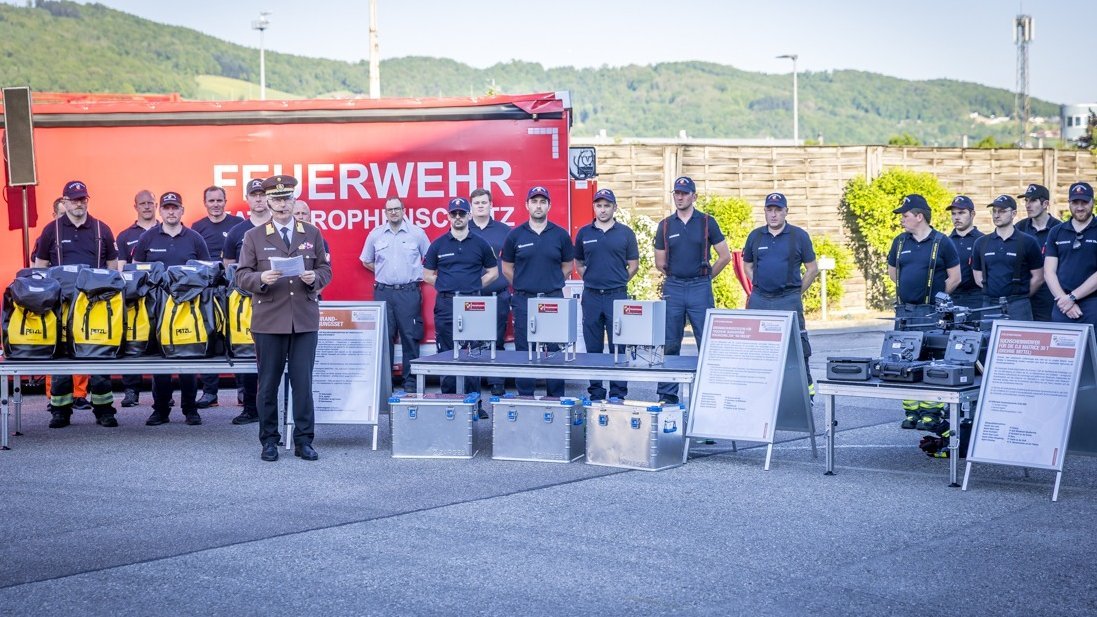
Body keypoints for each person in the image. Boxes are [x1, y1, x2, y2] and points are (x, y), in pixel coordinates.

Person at [235, 175, 332, 462]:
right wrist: (260, 278)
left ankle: (304, 440)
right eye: (276, 199)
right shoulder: (254, 236)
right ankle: (269, 441)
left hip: (303, 318)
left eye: (286, 198)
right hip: (269, 319)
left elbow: (326, 269)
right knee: (268, 384)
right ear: (266, 201)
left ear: (293, 200)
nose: (282, 204)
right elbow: (241, 276)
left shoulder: (311, 233)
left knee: (303, 383)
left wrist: (316, 277)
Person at [31, 180, 120, 429]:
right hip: (63, 306)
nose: (79, 203)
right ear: (64, 202)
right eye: (74, 199)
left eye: (82, 199)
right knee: (62, 358)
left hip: (95, 307)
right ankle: (60, 410)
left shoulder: (102, 229)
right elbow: (40, 268)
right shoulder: (51, 230)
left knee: (98, 357)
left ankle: (104, 409)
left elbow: (113, 268)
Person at [131, 192, 211, 427]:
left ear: (182, 210)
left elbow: (206, 272)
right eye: (167, 208)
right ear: (161, 211)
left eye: (175, 207)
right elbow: (137, 273)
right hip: (157, 307)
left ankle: (190, 409)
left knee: (187, 359)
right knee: (160, 361)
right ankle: (161, 410)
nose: (171, 211)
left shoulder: (195, 238)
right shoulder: (147, 238)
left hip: (188, 308)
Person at [652, 176, 731, 405]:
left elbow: (724, 256)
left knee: (706, 342)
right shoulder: (665, 225)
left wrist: (706, 277)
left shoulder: (707, 222)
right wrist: (677, 277)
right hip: (674, 287)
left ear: (694, 196)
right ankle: (667, 396)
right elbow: (660, 262)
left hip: (699, 287)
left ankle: (710, 394)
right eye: (676, 193)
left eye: (684, 193)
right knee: (669, 342)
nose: (680, 197)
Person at [886, 194, 961, 430]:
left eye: (905, 216)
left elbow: (955, 277)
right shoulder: (899, 242)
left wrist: (937, 300)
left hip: (931, 313)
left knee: (932, 361)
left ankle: (931, 412)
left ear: (920, 217)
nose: (902, 220)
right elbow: (892, 272)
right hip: (905, 311)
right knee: (902, 360)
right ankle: (912, 411)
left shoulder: (942, 242)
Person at [423, 197, 499, 410]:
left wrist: (474, 287)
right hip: (447, 303)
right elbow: (428, 274)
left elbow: (493, 272)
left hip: (472, 303)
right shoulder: (438, 244)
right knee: (447, 353)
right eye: (454, 214)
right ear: (448, 216)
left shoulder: (480, 244)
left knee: (471, 353)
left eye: (462, 213)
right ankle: (449, 403)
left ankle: (475, 404)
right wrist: (446, 285)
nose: (458, 217)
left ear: (469, 215)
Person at [501, 186, 576, 397]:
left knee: (554, 349)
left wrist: (551, 283)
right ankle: (525, 396)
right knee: (524, 349)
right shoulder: (515, 235)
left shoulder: (560, 235)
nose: (538, 205)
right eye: (534, 201)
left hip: (553, 300)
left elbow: (568, 266)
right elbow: (507, 268)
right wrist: (525, 283)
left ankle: (556, 397)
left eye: (543, 202)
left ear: (549, 206)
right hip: (524, 300)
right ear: (527, 205)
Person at [742, 192, 818, 390]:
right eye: (770, 210)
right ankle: (759, 390)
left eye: (778, 210)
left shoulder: (799, 236)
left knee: (799, 348)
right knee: (757, 348)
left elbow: (812, 269)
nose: (774, 214)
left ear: (786, 212)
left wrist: (795, 293)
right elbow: (747, 266)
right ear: (765, 212)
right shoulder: (755, 236)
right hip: (760, 299)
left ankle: (805, 392)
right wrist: (757, 284)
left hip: (788, 299)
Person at [574, 188, 639, 401]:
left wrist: (617, 281)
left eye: (607, 206)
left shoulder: (625, 233)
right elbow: (579, 264)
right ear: (594, 207)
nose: (602, 210)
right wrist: (593, 279)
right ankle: (596, 392)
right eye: (599, 205)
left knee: (618, 346)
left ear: (614, 208)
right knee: (593, 347)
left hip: (617, 296)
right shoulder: (584, 233)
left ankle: (618, 393)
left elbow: (633, 265)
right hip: (591, 296)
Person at [360, 197, 429, 392]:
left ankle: (410, 382)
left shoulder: (417, 233)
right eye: (389, 209)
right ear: (385, 212)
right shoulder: (376, 235)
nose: (393, 212)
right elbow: (366, 260)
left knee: (410, 336)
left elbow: (430, 260)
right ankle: (385, 383)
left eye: (397, 209)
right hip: (384, 292)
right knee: (385, 338)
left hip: (409, 292)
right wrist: (384, 272)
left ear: (403, 210)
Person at [223, 178, 271, 425]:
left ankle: (278, 407)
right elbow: (230, 268)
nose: (259, 198)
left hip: (275, 299)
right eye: (255, 195)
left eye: (263, 194)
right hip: (244, 302)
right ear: (247, 199)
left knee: (273, 356)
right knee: (247, 354)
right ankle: (250, 407)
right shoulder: (236, 232)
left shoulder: (279, 226)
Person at [191, 186, 245, 409]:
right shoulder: (197, 228)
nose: (215, 204)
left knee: (238, 339)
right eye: (211, 200)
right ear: (205, 203)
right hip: (208, 291)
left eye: (219, 200)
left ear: (225, 202)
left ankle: (243, 392)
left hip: (234, 289)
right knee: (210, 338)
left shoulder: (237, 226)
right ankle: (209, 392)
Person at [115, 189, 160, 408]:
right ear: (135, 207)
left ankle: (162, 394)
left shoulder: (165, 231)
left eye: (150, 203)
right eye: (142, 203)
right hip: (135, 298)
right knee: (132, 343)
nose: (147, 207)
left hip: (160, 297)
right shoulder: (125, 236)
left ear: (156, 205)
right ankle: (131, 390)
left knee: (160, 344)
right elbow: (121, 269)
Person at [467, 188, 512, 397]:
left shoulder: (504, 230)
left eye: (484, 202)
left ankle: (497, 382)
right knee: (473, 341)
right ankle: (473, 386)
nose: (481, 206)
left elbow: (514, 260)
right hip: (472, 296)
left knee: (497, 339)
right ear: (471, 206)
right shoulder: (464, 229)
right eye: (476, 203)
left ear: (491, 204)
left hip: (498, 294)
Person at [972, 195, 1044, 322]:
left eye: (1002, 211)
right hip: (989, 305)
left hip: (1018, 305)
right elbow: (978, 276)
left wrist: (1021, 297)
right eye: (994, 211)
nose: (996, 215)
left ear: (1014, 213)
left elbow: (1038, 277)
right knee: (988, 340)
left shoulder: (1028, 242)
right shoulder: (981, 243)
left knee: (1021, 341)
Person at [1044, 182, 1097, 326]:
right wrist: (1064, 300)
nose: (1080, 207)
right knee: (1059, 348)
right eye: (1075, 202)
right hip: (1062, 305)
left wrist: (1073, 297)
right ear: (1069, 203)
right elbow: (1049, 272)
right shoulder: (1056, 232)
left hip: (1093, 304)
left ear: (1092, 201)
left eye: (1084, 202)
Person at [1015, 183, 1062, 321]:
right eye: (1026, 200)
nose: (1028, 205)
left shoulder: (1059, 229)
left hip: (1049, 296)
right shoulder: (1019, 227)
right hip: (1023, 295)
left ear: (1045, 203)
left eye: (1033, 200)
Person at [945, 195, 985, 311]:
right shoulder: (945, 242)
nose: (956, 217)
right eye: (953, 214)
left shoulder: (983, 241)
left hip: (977, 301)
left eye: (961, 213)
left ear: (972, 214)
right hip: (950, 301)